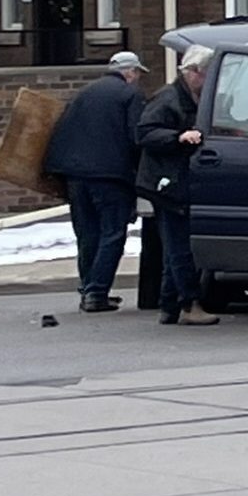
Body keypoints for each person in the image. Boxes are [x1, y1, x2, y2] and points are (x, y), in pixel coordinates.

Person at [46, 52, 148, 313]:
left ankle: (88, 287)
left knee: (87, 233)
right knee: (112, 233)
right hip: (110, 176)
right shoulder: (129, 96)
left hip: (75, 176)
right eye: (137, 74)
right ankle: (96, 292)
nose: (137, 79)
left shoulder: (84, 93)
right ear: (130, 72)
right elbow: (136, 138)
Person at [137, 45, 218, 326]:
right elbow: (145, 133)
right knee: (178, 245)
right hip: (166, 181)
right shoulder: (168, 99)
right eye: (207, 74)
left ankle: (170, 305)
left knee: (176, 242)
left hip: (172, 179)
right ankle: (188, 303)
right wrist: (178, 137)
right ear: (194, 73)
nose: (210, 81)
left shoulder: (187, 97)